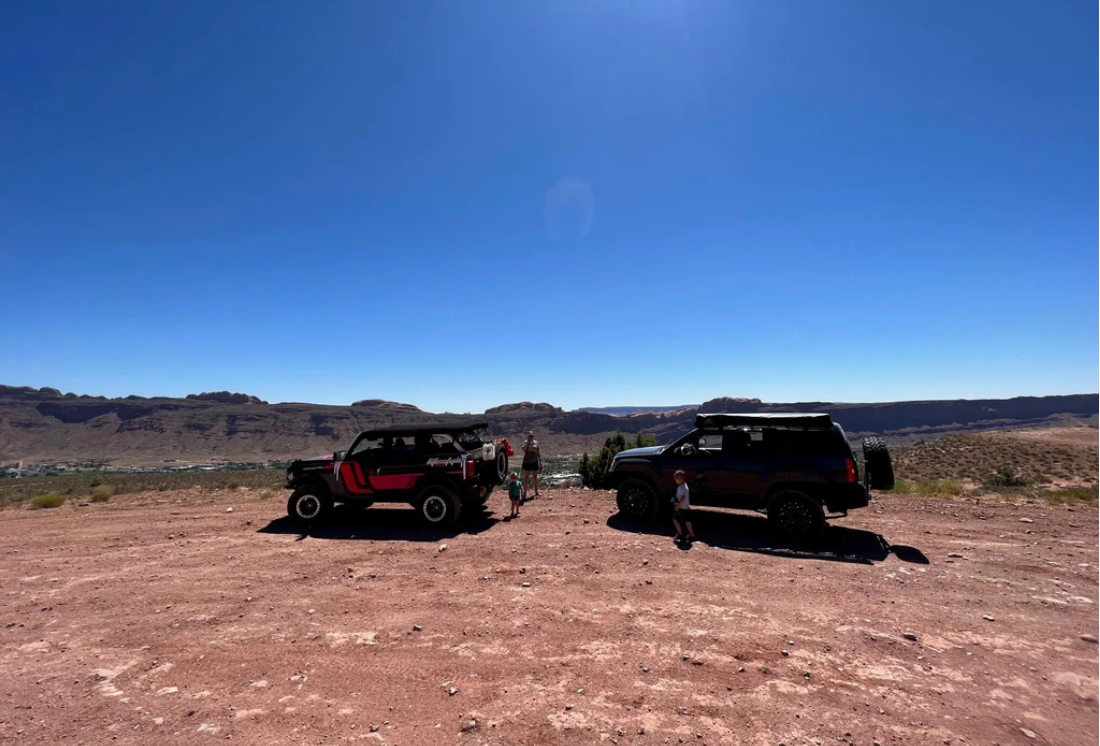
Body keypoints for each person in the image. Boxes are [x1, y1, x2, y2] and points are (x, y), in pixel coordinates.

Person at [672, 470, 697, 543]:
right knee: (687, 521)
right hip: (686, 507)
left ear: (679, 479)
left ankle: (680, 533)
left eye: (676, 479)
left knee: (675, 519)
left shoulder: (681, 487)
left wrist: (677, 506)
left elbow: (683, 498)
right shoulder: (685, 485)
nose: (675, 481)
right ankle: (692, 535)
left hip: (682, 508)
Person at [521, 432, 541, 499]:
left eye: (532, 436)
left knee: (535, 477)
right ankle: (524, 493)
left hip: (534, 461)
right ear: (527, 436)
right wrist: (527, 443)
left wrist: (540, 461)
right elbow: (524, 450)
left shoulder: (536, 442)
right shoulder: (525, 442)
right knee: (526, 477)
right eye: (529, 436)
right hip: (527, 462)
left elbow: (538, 452)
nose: (531, 437)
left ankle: (536, 491)